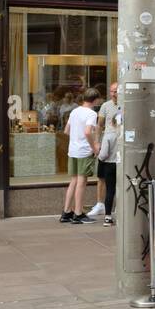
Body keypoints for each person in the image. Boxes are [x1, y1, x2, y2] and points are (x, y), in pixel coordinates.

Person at [60, 89, 99, 223]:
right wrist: (94, 147)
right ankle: (78, 213)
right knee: (82, 182)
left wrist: (76, 139)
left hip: (73, 150)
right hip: (84, 151)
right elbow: (88, 132)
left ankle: (66, 212)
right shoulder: (92, 113)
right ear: (96, 100)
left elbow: (66, 130)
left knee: (74, 180)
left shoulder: (74, 111)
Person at [89, 82, 118, 217]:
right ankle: (100, 204)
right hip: (107, 144)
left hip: (121, 147)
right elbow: (99, 125)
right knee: (101, 177)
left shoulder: (127, 104)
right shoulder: (106, 106)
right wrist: (96, 142)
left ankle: (118, 206)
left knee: (119, 178)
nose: (114, 94)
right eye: (112, 91)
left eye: (116, 91)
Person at [97, 95, 121, 225]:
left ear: (111, 122)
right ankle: (122, 213)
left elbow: (104, 153)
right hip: (121, 164)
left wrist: (99, 156)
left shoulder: (108, 136)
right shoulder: (123, 135)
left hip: (109, 165)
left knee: (110, 190)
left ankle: (107, 216)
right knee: (120, 189)